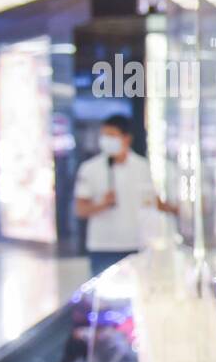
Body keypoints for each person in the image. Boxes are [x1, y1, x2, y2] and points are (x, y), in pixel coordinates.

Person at [73, 114, 175, 277]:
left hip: (136, 246)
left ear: (126, 139)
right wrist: (102, 204)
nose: (106, 140)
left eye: (111, 136)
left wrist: (180, 210)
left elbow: (155, 203)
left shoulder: (144, 168)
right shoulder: (89, 169)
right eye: (104, 136)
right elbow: (80, 209)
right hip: (102, 247)